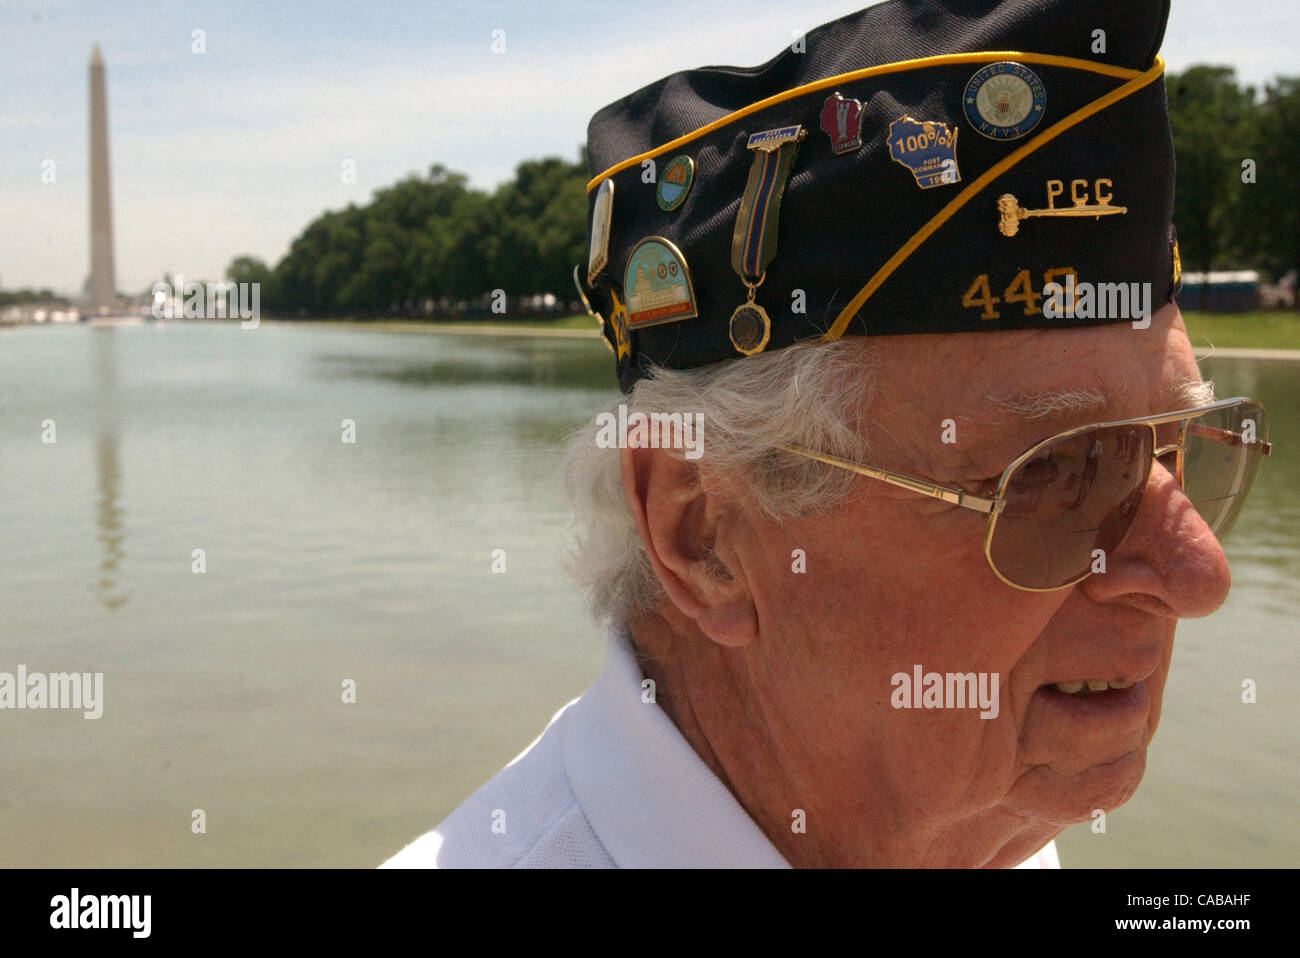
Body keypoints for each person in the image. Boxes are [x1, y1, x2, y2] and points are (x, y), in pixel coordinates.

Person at [384, 0, 1272, 868]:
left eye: (1175, 450)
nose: (1198, 576)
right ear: (701, 535)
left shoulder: (987, 836)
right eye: (1062, 473)